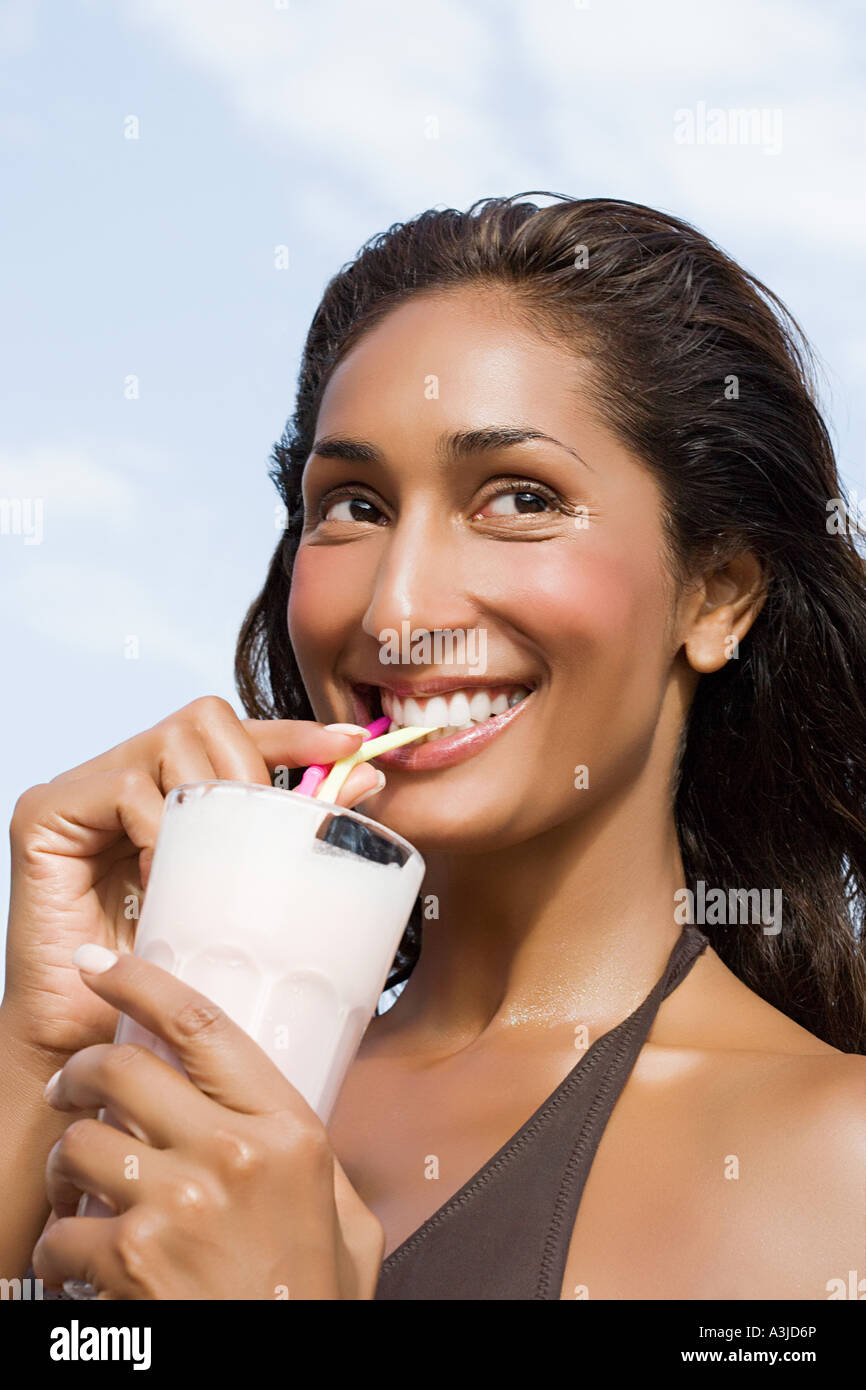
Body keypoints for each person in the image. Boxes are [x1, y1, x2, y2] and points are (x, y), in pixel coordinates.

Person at [2, 193, 864, 1300]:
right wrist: (49, 1042)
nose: (397, 607)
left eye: (518, 497)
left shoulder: (829, 1165)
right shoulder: (157, 1078)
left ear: (715, 594)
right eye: (353, 504)